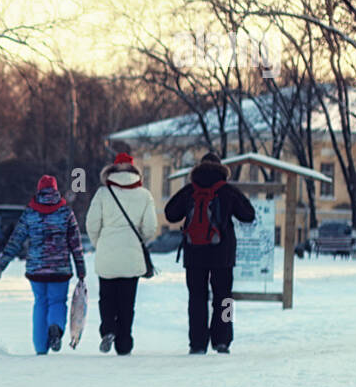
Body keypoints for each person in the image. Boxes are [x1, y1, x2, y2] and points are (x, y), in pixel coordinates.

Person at [163, 151, 255, 354]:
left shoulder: (190, 190)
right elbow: (248, 214)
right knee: (225, 298)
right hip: (223, 254)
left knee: (196, 298)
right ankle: (223, 340)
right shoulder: (227, 190)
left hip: (194, 253)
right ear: (222, 170)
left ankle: (197, 343)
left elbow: (170, 213)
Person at [0, 175, 87, 355]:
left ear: (39, 191)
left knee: (40, 302)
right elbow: (75, 243)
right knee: (57, 301)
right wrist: (80, 269)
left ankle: (40, 346)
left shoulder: (30, 214)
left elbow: (16, 239)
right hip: (60, 269)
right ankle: (55, 328)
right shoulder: (65, 213)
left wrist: (3, 262)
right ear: (55, 191)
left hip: (36, 268)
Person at [85, 152, 158, 356]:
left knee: (106, 297)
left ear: (112, 170)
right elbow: (151, 227)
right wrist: (139, 239)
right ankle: (124, 342)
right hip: (131, 253)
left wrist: (99, 243)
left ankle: (108, 329)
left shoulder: (102, 193)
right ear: (135, 171)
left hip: (107, 251)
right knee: (127, 301)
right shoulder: (144, 195)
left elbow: (91, 223)